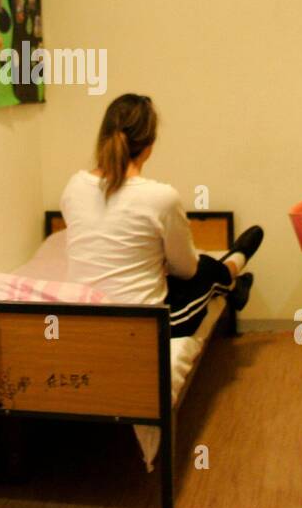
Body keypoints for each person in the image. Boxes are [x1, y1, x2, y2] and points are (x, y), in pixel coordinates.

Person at [60, 94, 263, 337]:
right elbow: (187, 270)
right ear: (149, 145)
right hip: (147, 323)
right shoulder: (161, 197)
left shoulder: (73, 186)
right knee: (205, 269)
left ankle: (234, 278)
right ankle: (235, 267)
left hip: (80, 317)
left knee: (195, 266)